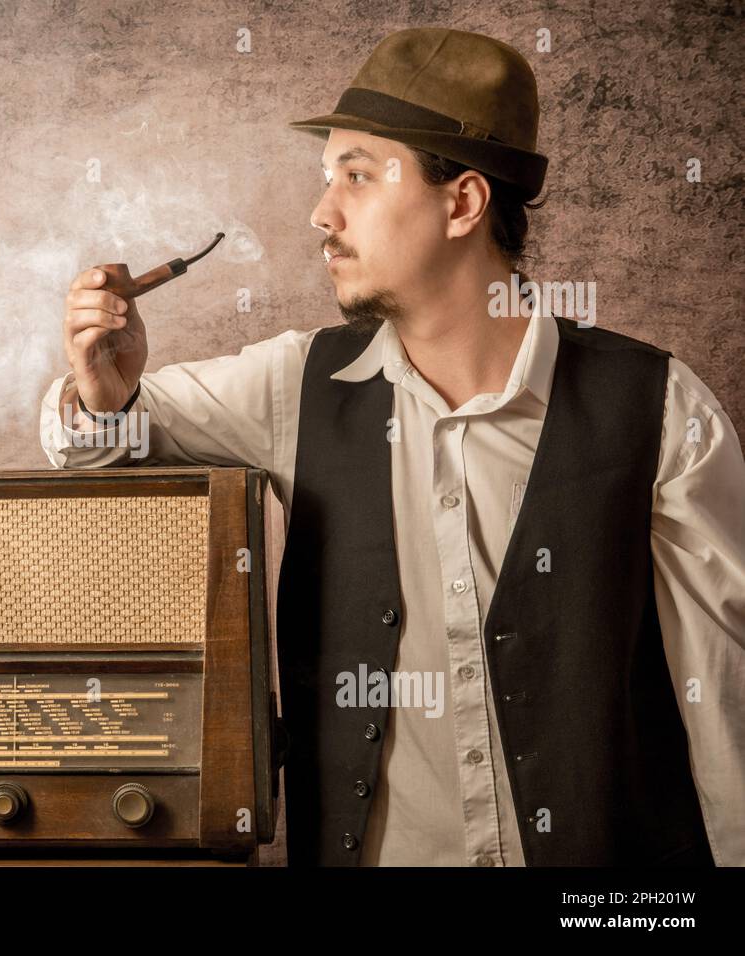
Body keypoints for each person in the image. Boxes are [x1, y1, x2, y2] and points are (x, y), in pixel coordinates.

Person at [38, 27, 745, 866]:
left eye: (359, 178)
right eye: (326, 177)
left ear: (463, 203)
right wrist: (102, 391)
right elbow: (98, 439)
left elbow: (728, 712)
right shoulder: (294, 385)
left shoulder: (663, 410)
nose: (321, 213)